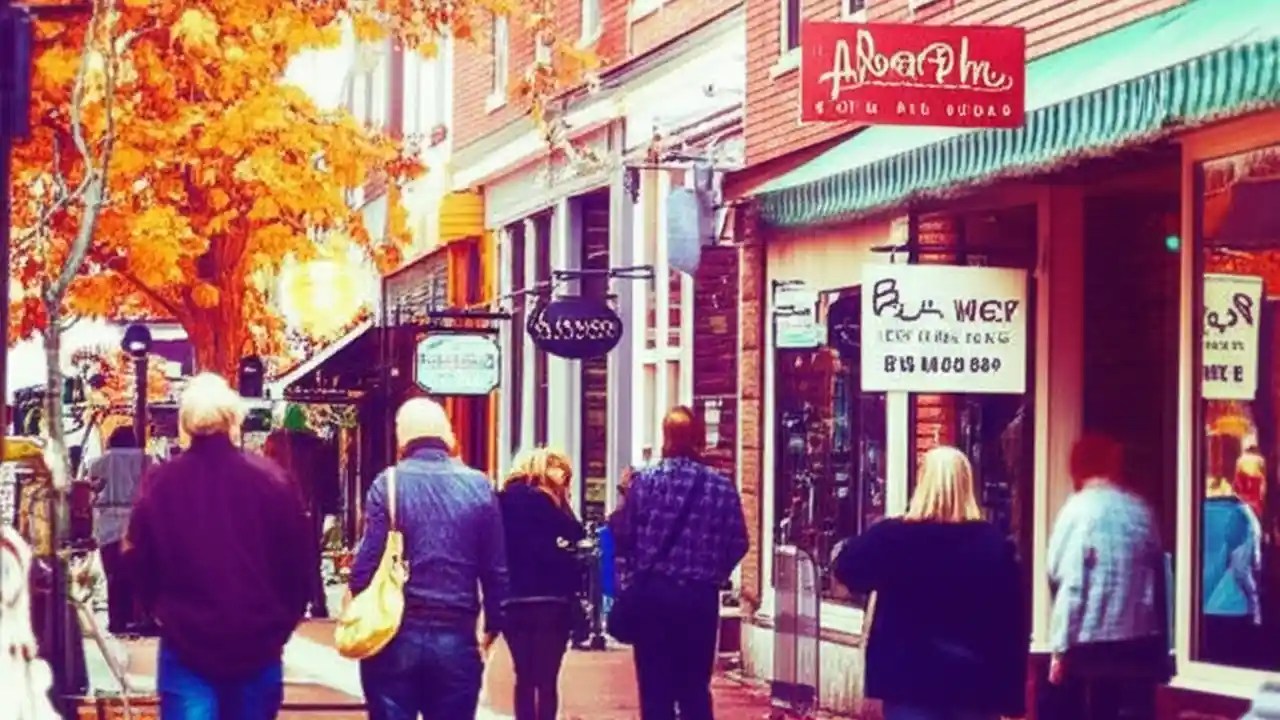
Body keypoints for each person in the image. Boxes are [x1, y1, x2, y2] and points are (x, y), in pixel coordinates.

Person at [126, 373, 313, 720]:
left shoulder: (161, 484)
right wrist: (281, 624)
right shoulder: (272, 481)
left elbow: (138, 557)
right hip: (258, 643)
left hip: (186, 643)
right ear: (233, 419)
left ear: (185, 422)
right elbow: (299, 564)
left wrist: (160, 609)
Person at [832, 446, 1027, 720]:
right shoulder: (994, 546)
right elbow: (1011, 626)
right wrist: (1012, 699)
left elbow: (847, 569)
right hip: (974, 686)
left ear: (921, 483)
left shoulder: (894, 537)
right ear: (967, 485)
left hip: (909, 681)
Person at [352, 397, 509, 720]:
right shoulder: (479, 486)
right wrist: (492, 626)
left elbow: (365, 570)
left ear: (401, 436)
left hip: (394, 635)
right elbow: (496, 570)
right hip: (457, 635)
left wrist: (363, 604)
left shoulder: (389, 484)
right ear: (447, 434)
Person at [610, 406, 748, 720]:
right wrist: (714, 572)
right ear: (698, 439)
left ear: (666, 438)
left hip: (654, 596)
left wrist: (632, 575)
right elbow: (739, 542)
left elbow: (624, 536)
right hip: (699, 598)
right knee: (695, 687)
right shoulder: (721, 486)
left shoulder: (644, 482)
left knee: (654, 687)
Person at [1042, 433, 1170, 720]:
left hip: (1090, 649)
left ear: (1077, 467)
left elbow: (1071, 585)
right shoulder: (1141, 512)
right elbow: (1158, 581)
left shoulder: (1076, 512)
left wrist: (1059, 649)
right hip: (1139, 643)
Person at [498, 447, 585, 720]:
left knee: (523, 676)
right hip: (552, 601)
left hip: (514, 600)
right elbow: (575, 535)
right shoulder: (553, 507)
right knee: (547, 681)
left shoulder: (501, 502)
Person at [262, 429, 330, 619]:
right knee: (309, 557)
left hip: (291, 516)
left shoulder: (275, 471)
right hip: (307, 513)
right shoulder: (307, 464)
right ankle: (316, 601)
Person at [88, 426, 146, 635]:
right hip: (138, 521)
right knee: (137, 574)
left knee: (113, 575)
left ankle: (117, 621)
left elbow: (91, 487)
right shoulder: (146, 460)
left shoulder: (99, 462)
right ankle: (137, 618)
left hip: (109, 523)